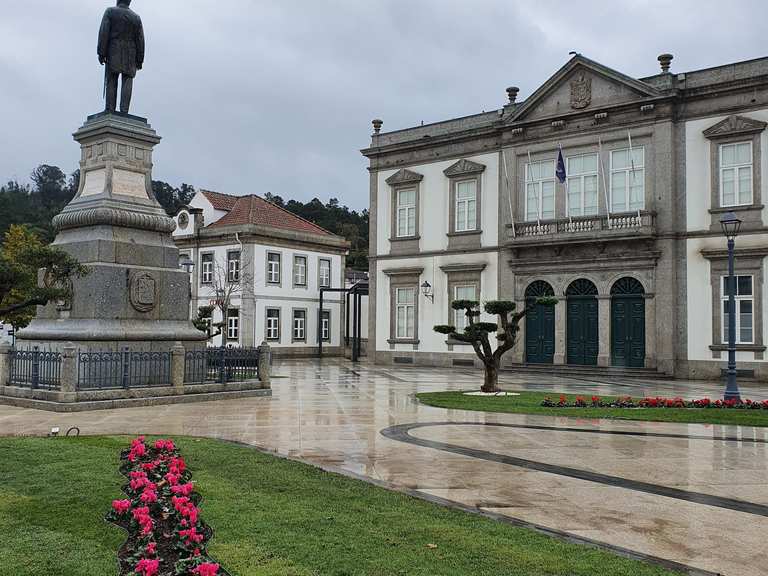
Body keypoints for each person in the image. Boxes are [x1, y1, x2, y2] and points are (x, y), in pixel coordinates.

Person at [97, 0, 145, 114]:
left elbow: (104, 32)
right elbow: (140, 40)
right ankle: (124, 111)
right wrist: (140, 59)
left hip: (114, 50)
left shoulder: (110, 12)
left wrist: (101, 52)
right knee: (127, 80)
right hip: (130, 53)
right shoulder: (136, 18)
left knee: (112, 79)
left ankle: (110, 109)